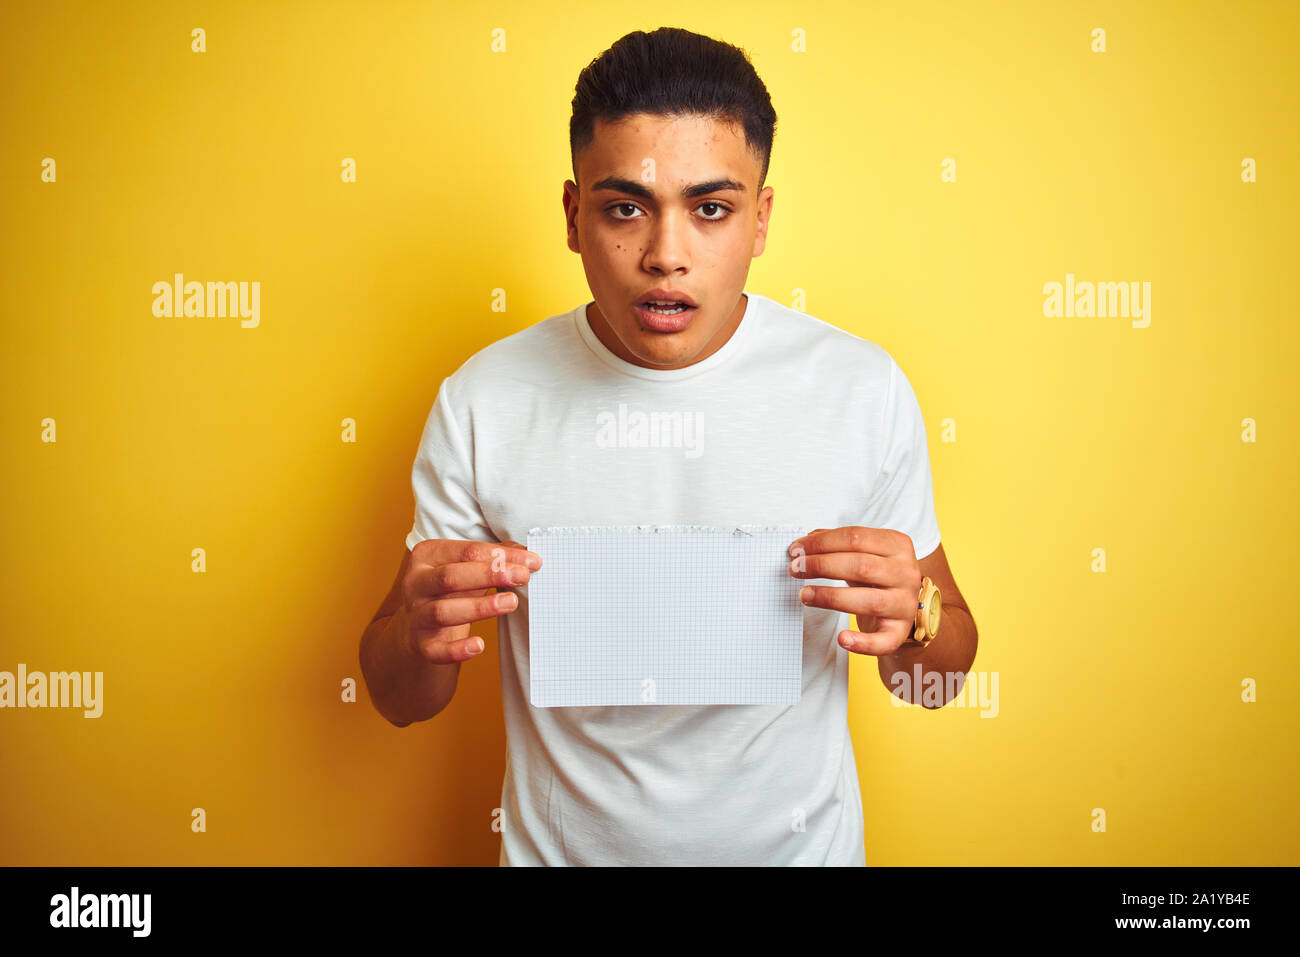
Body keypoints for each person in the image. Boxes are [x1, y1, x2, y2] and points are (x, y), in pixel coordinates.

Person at [359, 26, 978, 866]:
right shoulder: (485, 401)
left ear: (759, 221)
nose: (665, 256)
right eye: (625, 209)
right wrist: (416, 634)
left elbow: (934, 680)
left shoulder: (859, 391)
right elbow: (401, 700)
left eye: (711, 209)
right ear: (575, 218)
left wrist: (916, 621)